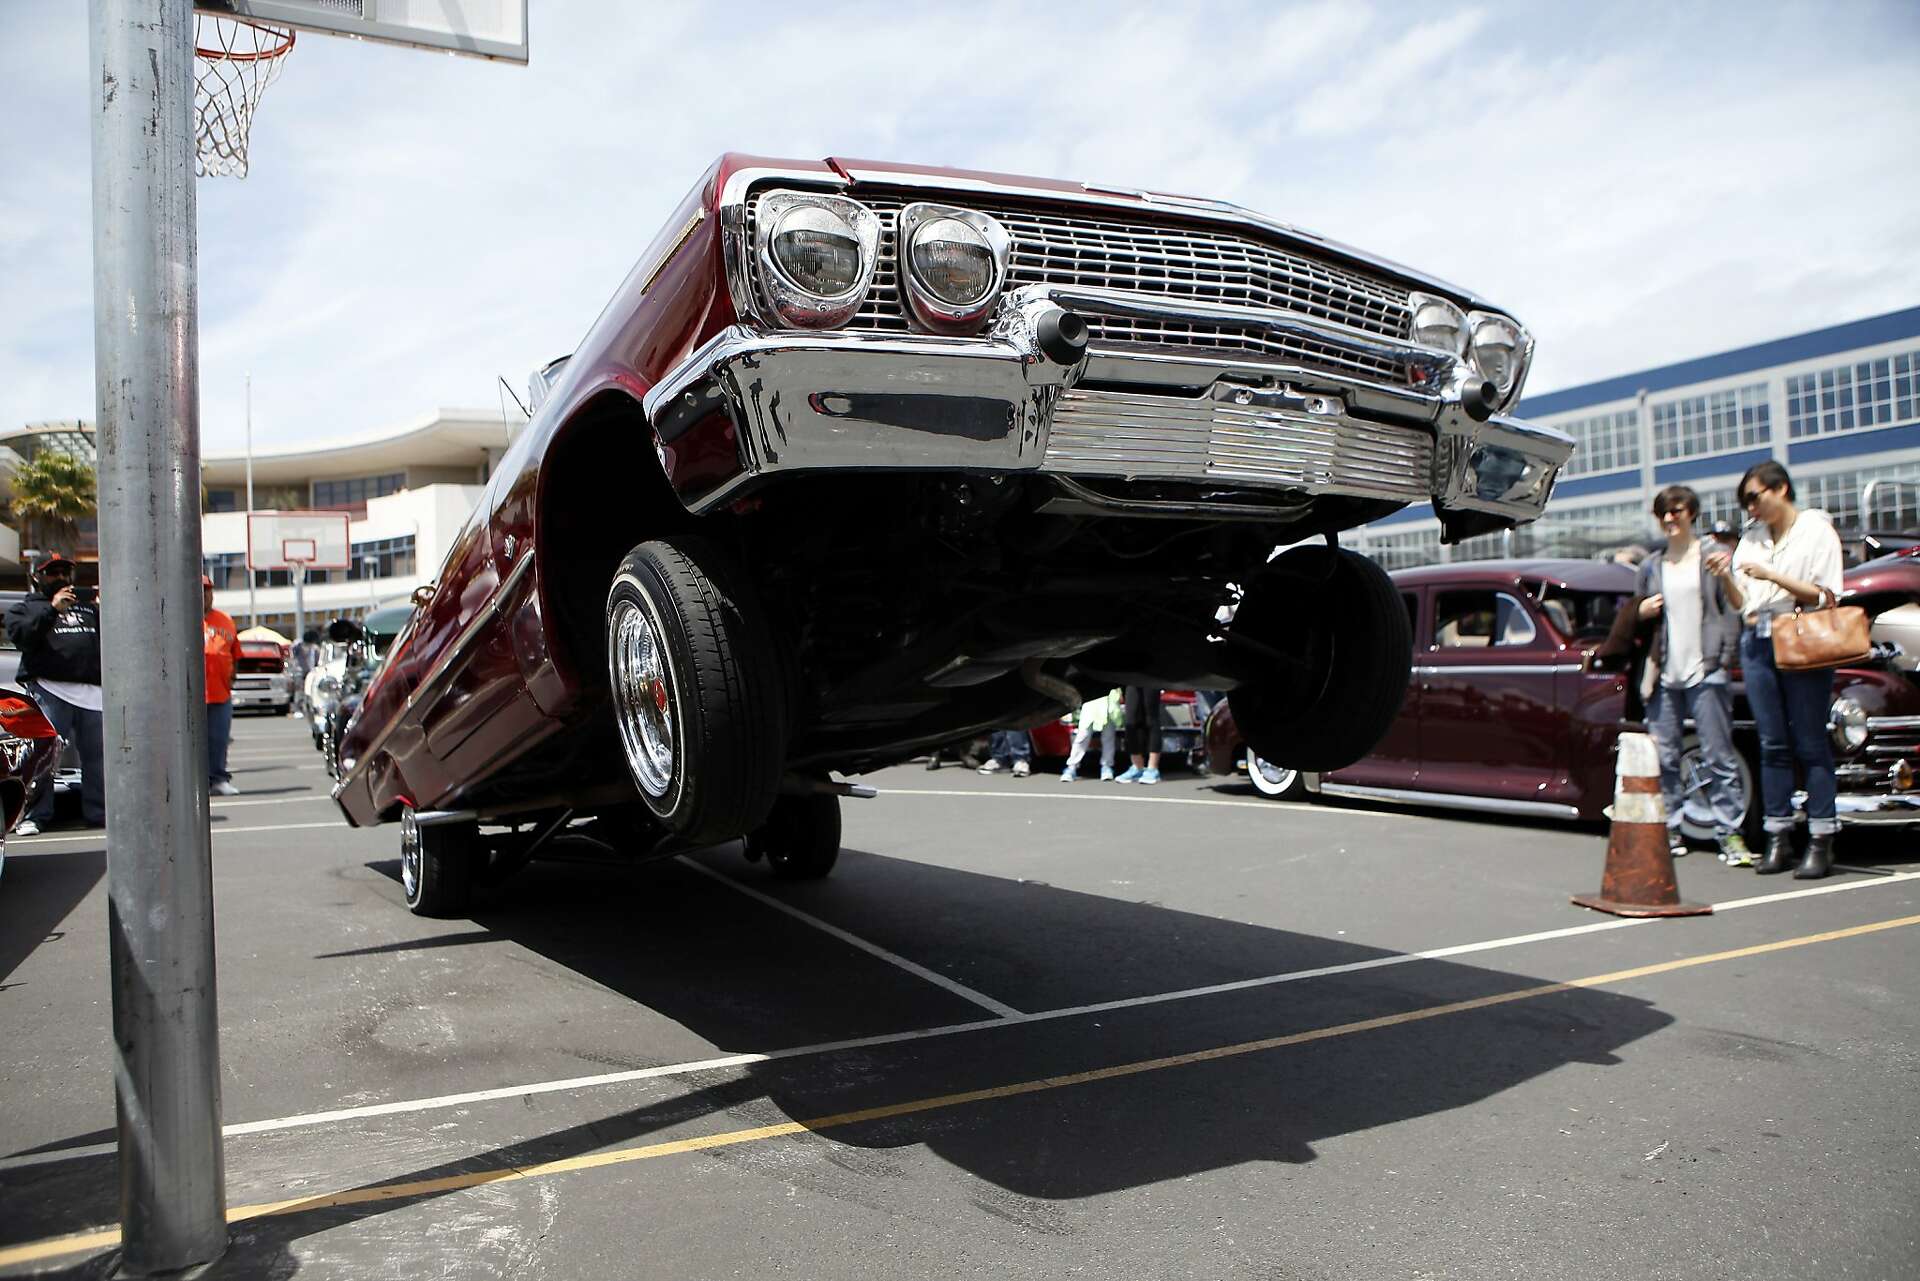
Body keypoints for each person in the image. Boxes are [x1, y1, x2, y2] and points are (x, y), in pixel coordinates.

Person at [1717, 461, 1844, 878]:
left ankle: (1821, 837)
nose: (1750, 509)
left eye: (1754, 497)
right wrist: (1725, 577)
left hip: (1802, 631)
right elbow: (1741, 603)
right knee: (1771, 742)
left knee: (1809, 739)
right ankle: (1777, 836)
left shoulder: (1815, 529)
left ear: (1781, 488)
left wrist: (1773, 573)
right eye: (1745, 503)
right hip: (1758, 638)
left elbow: (1826, 596)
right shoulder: (1750, 538)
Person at [1635, 486, 1749, 864]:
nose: (1670, 519)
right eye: (1664, 513)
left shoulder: (1712, 557)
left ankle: (1729, 832)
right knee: (1665, 757)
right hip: (1664, 670)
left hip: (1707, 668)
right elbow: (1636, 615)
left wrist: (1728, 576)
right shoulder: (1652, 565)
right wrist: (1644, 611)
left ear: (1691, 514)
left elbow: (1736, 606)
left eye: (1677, 511)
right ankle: (1671, 827)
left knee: (1718, 755)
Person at [4, 553, 105, 833]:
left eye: (65, 572)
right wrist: (53, 609)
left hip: (91, 692)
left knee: (97, 757)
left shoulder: (87, 608)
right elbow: (22, 636)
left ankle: (98, 812)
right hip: (50, 690)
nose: (60, 577)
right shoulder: (26, 608)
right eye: (53, 572)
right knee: (44, 757)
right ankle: (36, 815)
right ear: (37, 577)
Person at [203, 576, 241, 796]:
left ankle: (218, 778)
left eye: (207, 590)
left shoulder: (225, 620)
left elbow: (235, 654)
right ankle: (196, 781)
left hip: (220, 692)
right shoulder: (182, 618)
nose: (204, 594)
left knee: (218, 738)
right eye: (200, 590)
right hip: (191, 695)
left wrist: (231, 679)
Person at [1061, 689, 1122, 782]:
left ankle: (1107, 766)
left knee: (1108, 738)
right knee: (1082, 736)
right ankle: (1071, 767)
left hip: (1109, 703)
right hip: (1091, 702)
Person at [1115, 686, 1163, 784]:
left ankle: (1152, 768)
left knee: (1151, 718)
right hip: (1132, 676)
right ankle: (1137, 767)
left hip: (1151, 676)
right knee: (1131, 720)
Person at [289, 628, 321, 719]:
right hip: (300, 671)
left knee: (312, 690)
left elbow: (317, 660)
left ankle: (312, 708)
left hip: (312, 672)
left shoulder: (315, 649)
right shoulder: (297, 647)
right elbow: (293, 659)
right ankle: (298, 709)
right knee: (299, 691)